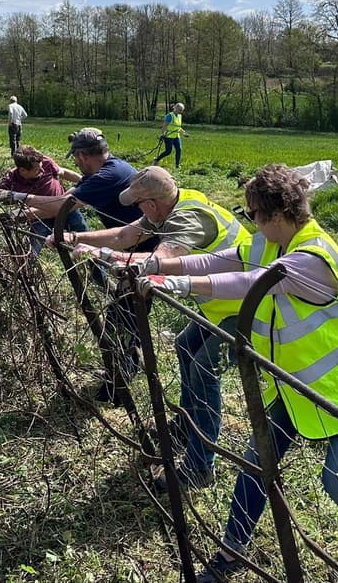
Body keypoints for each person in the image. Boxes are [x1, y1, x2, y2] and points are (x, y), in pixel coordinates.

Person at [144, 164, 338, 583]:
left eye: (252, 214)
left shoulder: (313, 258)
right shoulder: (270, 242)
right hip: (299, 382)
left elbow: (249, 282)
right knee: (255, 462)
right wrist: (159, 268)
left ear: (275, 215)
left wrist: (179, 287)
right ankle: (232, 551)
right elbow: (219, 259)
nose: (250, 222)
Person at [69, 165, 253, 491]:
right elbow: (125, 236)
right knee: (185, 347)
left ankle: (199, 466)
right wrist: (73, 237)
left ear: (152, 204)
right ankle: (186, 425)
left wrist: (100, 254)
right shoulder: (168, 208)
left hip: (252, 308)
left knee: (203, 369)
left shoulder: (185, 220)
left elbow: (160, 258)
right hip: (224, 304)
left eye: (139, 204)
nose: (139, 211)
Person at [0, 128, 156, 399]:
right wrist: (21, 218)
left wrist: (16, 198)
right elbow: (65, 203)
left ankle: (121, 380)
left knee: (123, 318)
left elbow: (60, 205)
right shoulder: (109, 171)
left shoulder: (108, 176)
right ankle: (122, 372)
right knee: (123, 315)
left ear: (83, 156)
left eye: (76, 158)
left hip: (143, 254)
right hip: (132, 249)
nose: (76, 163)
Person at [0, 145, 87, 256]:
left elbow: (63, 172)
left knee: (87, 245)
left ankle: (97, 272)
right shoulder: (11, 180)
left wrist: (85, 181)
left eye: (42, 166)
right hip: (40, 217)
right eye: (37, 170)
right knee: (30, 252)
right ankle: (28, 272)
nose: (42, 170)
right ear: (23, 170)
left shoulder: (46, 162)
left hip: (66, 210)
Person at [153, 102, 186, 169]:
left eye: (182, 110)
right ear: (175, 108)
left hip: (176, 136)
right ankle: (157, 159)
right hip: (168, 136)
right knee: (168, 151)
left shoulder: (179, 116)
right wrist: (162, 134)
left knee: (179, 149)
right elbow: (164, 126)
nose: (181, 111)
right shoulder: (170, 116)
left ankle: (177, 165)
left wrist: (183, 132)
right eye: (180, 110)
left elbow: (178, 127)